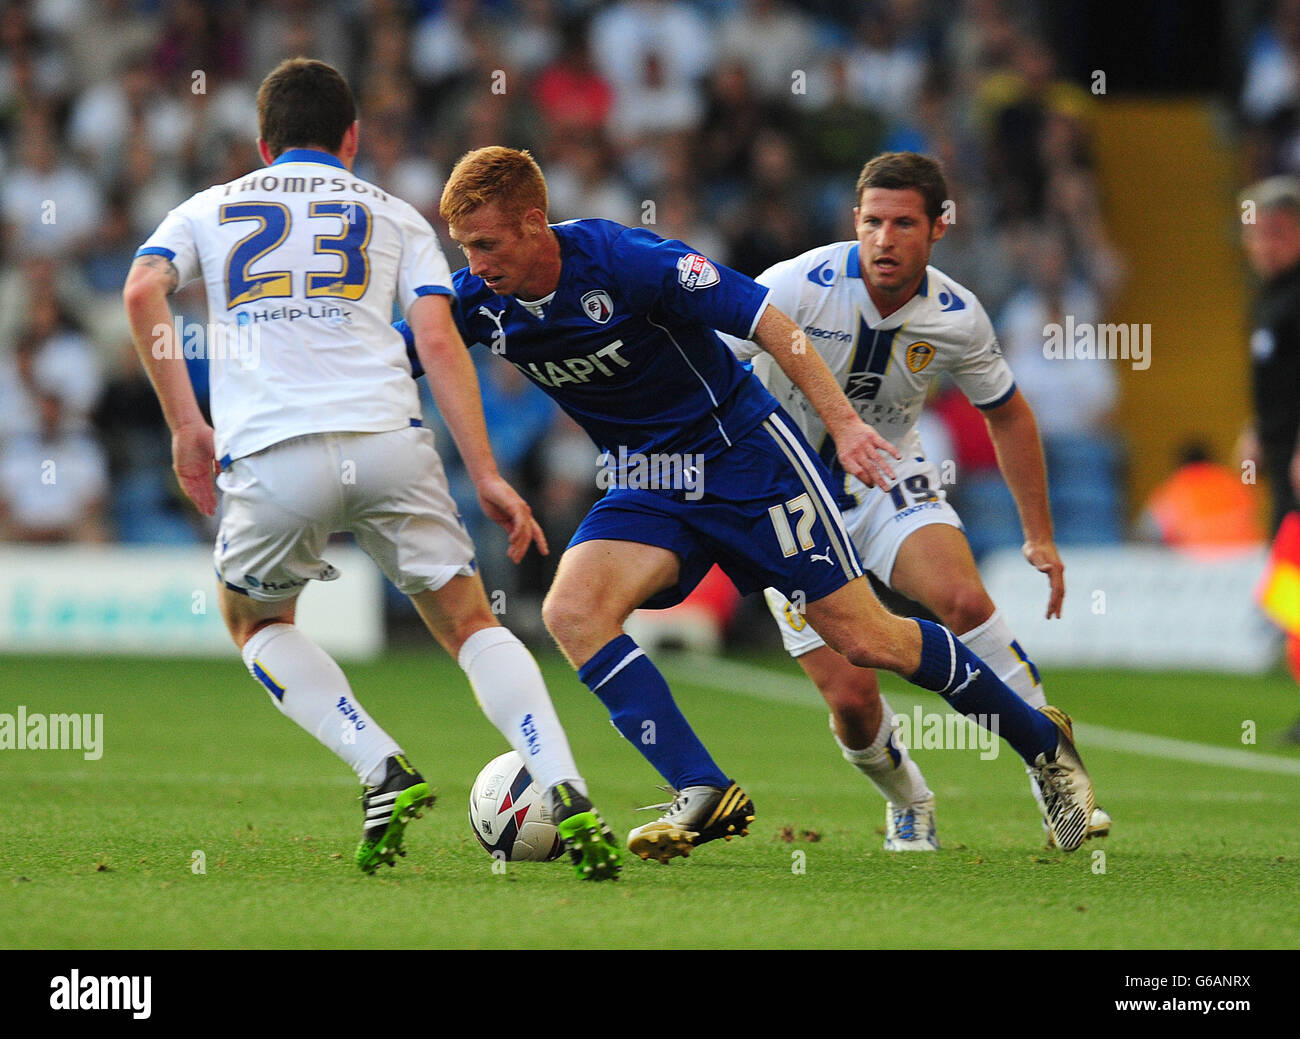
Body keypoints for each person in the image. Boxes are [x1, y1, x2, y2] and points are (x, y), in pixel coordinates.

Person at [401, 145, 1097, 861]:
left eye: (486, 244)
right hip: (651, 477)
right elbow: (396, 356)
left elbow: (770, 321)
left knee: (868, 639)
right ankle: (703, 787)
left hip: (745, 458)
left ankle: (1043, 742)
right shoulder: (479, 302)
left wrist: (846, 422)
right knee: (571, 610)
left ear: (534, 223)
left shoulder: (625, 258)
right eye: (464, 248)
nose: (475, 263)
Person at [122, 59, 620, 880]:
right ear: (351, 139)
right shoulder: (395, 215)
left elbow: (144, 292)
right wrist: (488, 472)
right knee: (470, 625)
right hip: (390, 441)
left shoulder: (206, 209)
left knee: (258, 624)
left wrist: (186, 425)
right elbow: (435, 340)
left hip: (274, 455)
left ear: (261, 142)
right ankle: (563, 778)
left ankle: (380, 763)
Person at [721, 151, 1111, 849]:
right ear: (855, 222)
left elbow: (1010, 414)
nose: (884, 239)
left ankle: (1052, 771)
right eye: (872, 221)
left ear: (939, 228)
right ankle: (909, 796)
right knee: (851, 697)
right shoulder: (796, 287)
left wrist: (1039, 534)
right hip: (788, 502)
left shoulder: (958, 316)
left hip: (889, 477)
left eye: (904, 223)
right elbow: (711, 365)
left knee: (962, 598)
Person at [1239, 174, 1300, 741]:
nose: (1260, 245)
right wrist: (1259, 428)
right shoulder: (1271, 297)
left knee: (1295, 578)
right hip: (1281, 457)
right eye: (1254, 235)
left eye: (1272, 233)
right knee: (1289, 584)